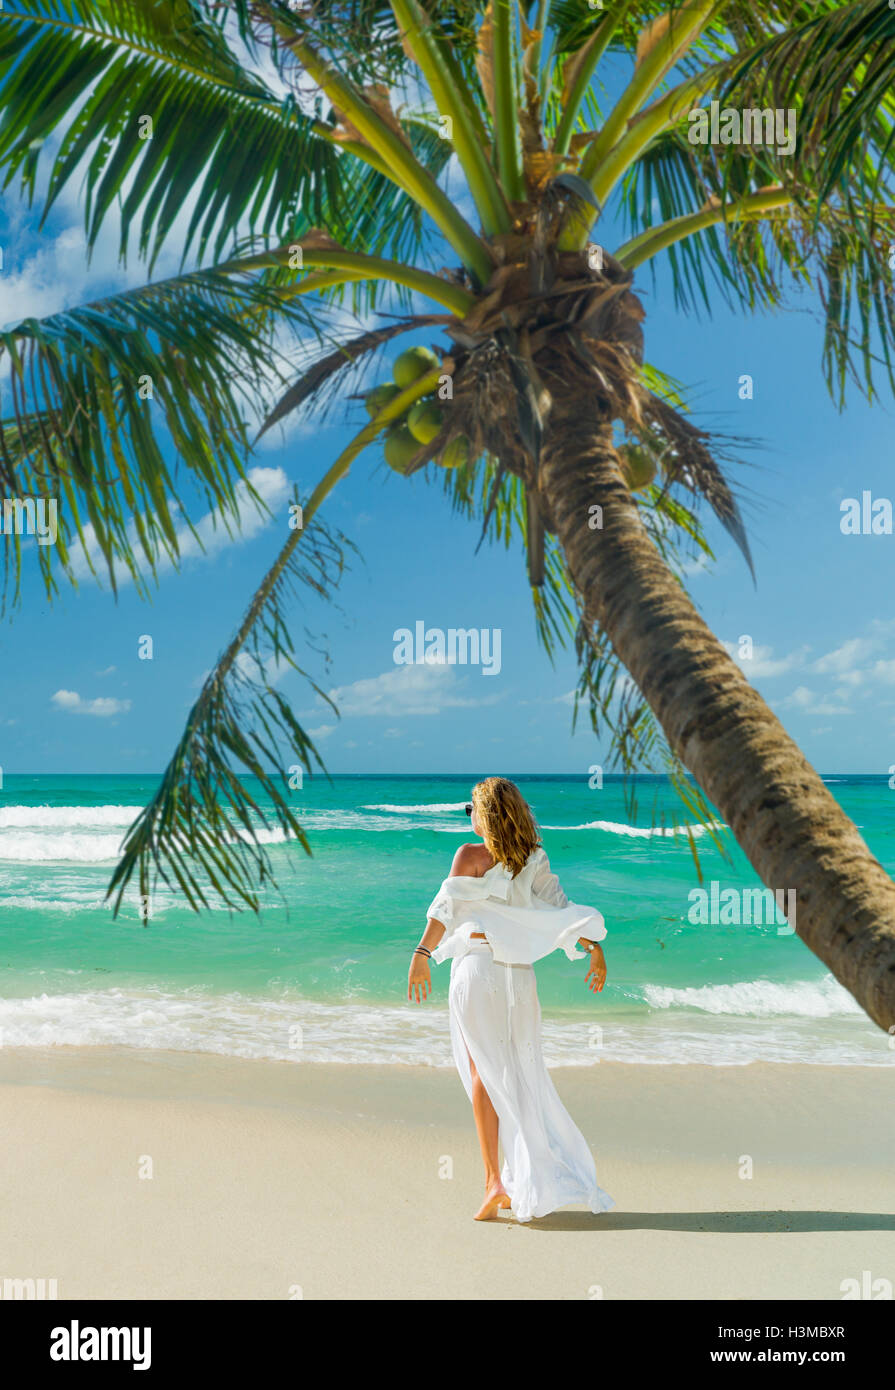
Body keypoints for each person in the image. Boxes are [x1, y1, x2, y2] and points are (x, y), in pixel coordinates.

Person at [408, 776, 615, 1222]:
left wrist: (422, 953)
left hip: (478, 969)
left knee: (483, 1069)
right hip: (519, 979)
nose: (470, 818)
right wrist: (594, 949)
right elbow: (562, 911)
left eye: (472, 810)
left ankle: (493, 1184)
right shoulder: (533, 859)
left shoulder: (468, 855)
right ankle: (534, 1173)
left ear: (486, 815)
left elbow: (445, 909)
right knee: (522, 1070)